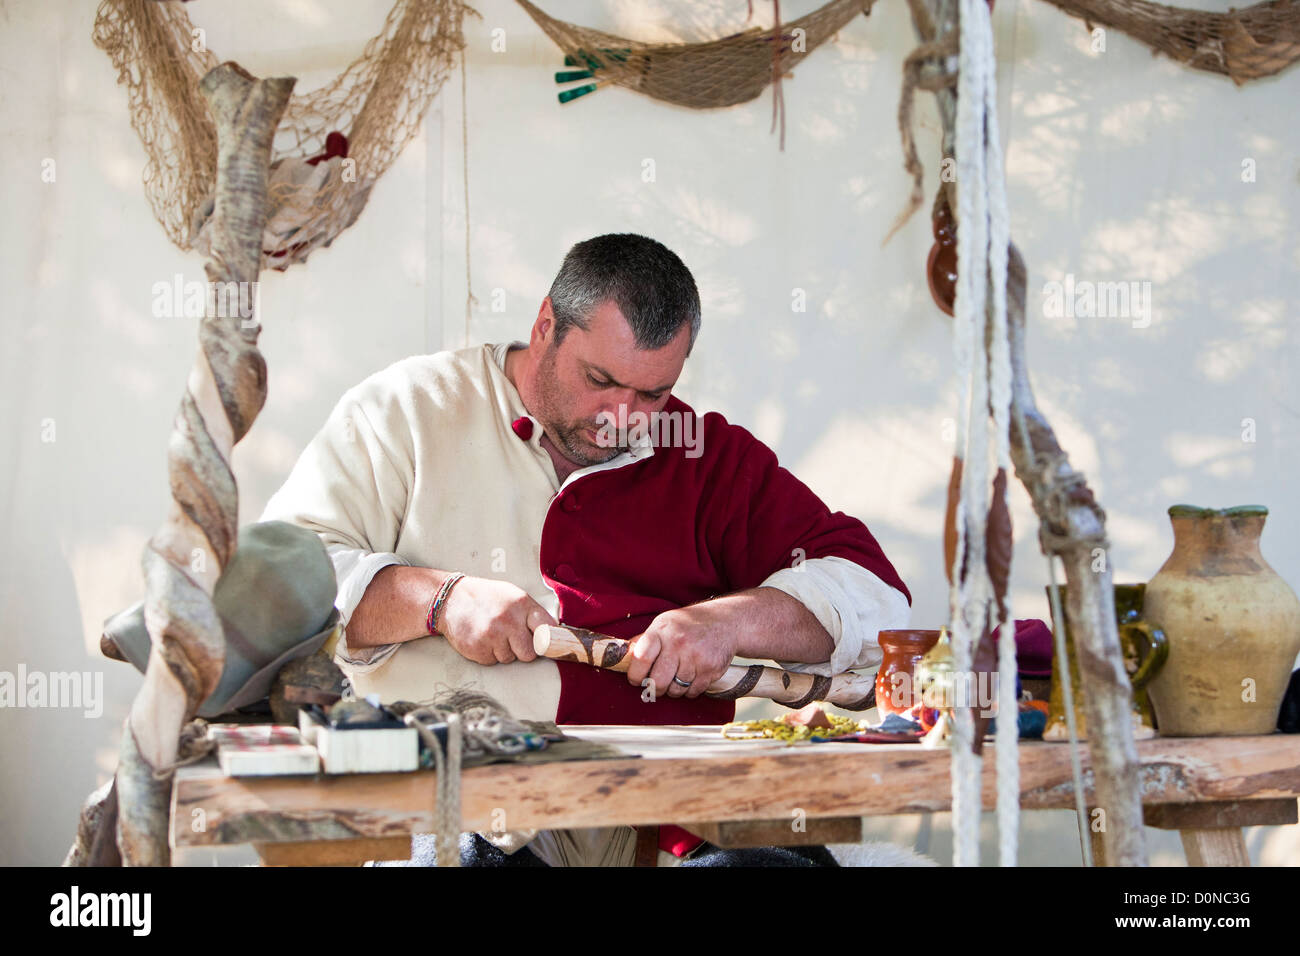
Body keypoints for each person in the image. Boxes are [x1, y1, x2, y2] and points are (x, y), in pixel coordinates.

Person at [260, 233, 912, 866]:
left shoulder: (707, 455)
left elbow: (876, 601)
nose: (621, 417)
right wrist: (439, 600)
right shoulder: (407, 409)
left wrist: (730, 620)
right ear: (545, 324)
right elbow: (280, 582)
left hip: (665, 816)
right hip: (461, 794)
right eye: (600, 379)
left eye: (651, 394)